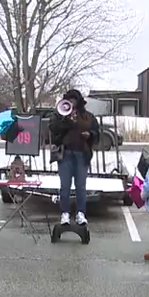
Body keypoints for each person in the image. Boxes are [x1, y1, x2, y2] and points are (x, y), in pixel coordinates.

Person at [48, 89, 100, 225]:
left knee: (80, 186)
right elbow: (53, 129)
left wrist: (90, 135)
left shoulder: (88, 116)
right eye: (69, 99)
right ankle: (65, 213)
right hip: (65, 154)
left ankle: (80, 213)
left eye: (74, 100)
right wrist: (65, 121)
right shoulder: (60, 114)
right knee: (65, 186)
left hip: (82, 154)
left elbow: (96, 132)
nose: (71, 102)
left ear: (79, 101)